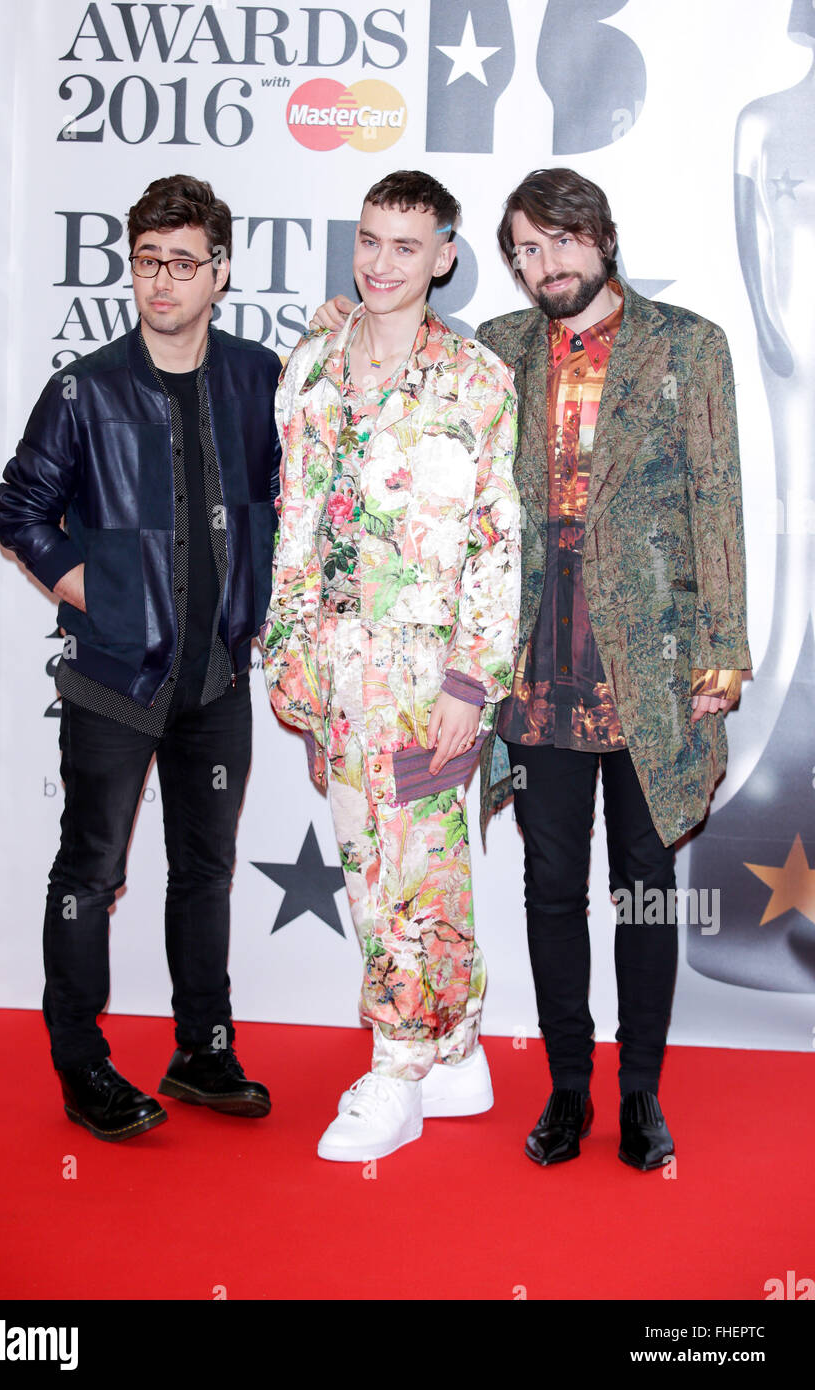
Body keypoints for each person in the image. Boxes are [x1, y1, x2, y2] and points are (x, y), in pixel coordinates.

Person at [312, 166, 751, 1170]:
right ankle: (567, 1091)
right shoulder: (499, 352)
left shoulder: (690, 345)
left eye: (558, 241)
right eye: (523, 250)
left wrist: (723, 650)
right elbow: (401, 384)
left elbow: (718, 501)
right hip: (535, 655)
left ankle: (641, 1095)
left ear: (600, 236)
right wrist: (340, 329)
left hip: (654, 659)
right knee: (551, 886)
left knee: (644, 881)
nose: (543, 263)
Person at [0, 175, 281, 1141]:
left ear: (221, 272)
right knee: (90, 871)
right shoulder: (84, 387)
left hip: (217, 677)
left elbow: (292, 495)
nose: (161, 282)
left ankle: (203, 1048)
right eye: (147, 262)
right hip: (115, 676)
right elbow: (19, 512)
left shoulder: (258, 378)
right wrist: (107, 598)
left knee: (205, 870)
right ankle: (81, 1062)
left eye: (183, 263)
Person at [264, 170, 520, 1161]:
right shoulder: (312, 367)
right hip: (333, 676)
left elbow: (501, 545)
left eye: (405, 246)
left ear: (445, 256)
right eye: (369, 240)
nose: (380, 263)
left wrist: (472, 682)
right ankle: (454, 1050)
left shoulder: (475, 381)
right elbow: (295, 522)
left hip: (429, 687)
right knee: (378, 868)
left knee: (416, 872)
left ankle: (397, 1060)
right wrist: (288, 658)